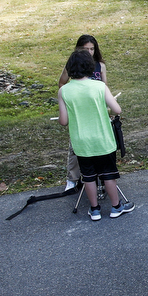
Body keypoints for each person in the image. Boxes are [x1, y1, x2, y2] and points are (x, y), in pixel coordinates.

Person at [57, 50, 133, 221]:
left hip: (82, 142)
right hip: (103, 139)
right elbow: (117, 109)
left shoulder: (64, 91)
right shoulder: (100, 86)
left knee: (88, 177)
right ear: (90, 67)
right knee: (109, 174)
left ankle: (95, 209)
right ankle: (116, 207)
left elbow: (63, 121)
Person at [58, 35, 107, 193]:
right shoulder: (73, 66)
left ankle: (103, 177)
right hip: (79, 113)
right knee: (76, 147)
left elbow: (105, 88)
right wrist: (64, 105)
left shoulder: (100, 66)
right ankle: (72, 179)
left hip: (96, 113)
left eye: (92, 49)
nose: (89, 52)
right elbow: (62, 83)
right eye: (85, 49)